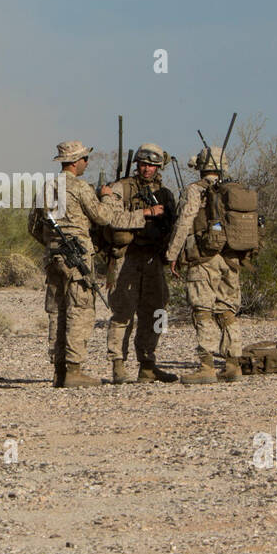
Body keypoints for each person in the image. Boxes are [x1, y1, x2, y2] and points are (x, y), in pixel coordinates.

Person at [28, 141, 164, 387]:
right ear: (75, 162)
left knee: (57, 311)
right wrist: (108, 198)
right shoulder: (80, 187)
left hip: (53, 257)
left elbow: (33, 227)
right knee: (79, 311)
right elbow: (103, 217)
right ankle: (74, 370)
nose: (86, 163)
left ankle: (59, 370)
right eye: (85, 159)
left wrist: (53, 244)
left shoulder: (46, 187)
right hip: (76, 257)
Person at [164, 146, 245, 384]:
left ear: (200, 166)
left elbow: (184, 222)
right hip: (230, 258)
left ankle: (206, 366)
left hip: (202, 258)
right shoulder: (235, 190)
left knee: (203, 311)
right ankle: (233, 364)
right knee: (227, 310)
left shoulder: (195, 190)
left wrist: (172, 253)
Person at [101, 143, 179, 383]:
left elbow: (174, 225)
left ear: (159, 168)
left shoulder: (165, 193)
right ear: (137, 164)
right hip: (127, 257)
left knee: (158, 312)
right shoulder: (121, 188)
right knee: (123, 312)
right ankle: (118, 364)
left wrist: (174, 255)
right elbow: (111, 218)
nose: (147, 169)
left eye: (152, 166)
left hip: (154, 259)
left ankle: (148, 364)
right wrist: (145, 214)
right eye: (144, 164)